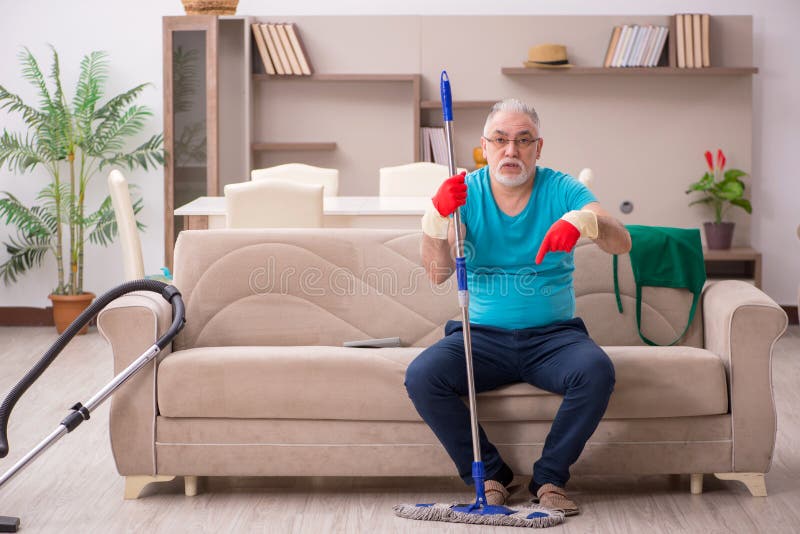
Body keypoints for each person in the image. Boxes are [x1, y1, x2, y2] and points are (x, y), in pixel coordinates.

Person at [404, 98, 632, 516]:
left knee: (597, 371)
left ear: (538, 147)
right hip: (481, 338)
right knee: (422, 376)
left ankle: (549, 479)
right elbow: (437, 273)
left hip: (554, 338)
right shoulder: (465, 192)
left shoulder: (562, 189)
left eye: (523, 140)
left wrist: (584, 221)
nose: (512, 151)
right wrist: (435, 218)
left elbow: (622, 242)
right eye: (501, 140)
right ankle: (491, 475)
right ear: (484, 146)